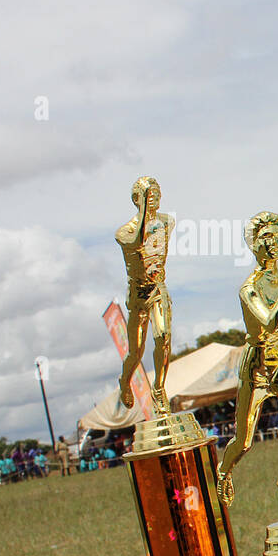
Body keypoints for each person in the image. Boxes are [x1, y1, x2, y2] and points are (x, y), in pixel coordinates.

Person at [216, 211, 278, 518]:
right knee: (244, 441)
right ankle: (223, 471)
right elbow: (271, 321)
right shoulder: (249, 288)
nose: (273, 243)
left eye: (276, 235)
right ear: (254, 247)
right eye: (265, 238)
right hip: (256, 366)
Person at [116, 176, 174, 412]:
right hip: (138, 295)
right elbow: (138, 241)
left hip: (158, 289)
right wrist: (143, 212)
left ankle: (159, 388)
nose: (156, 197)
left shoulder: (166, 222)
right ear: (138, 200)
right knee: (136, 352)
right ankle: (124, 381)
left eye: (158, 192)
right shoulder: (125, 231)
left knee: (163, 337)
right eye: (150, 194)